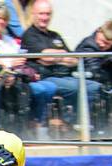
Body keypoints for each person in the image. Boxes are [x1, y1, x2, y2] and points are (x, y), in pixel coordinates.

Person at [20, 0, 100, 130]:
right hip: (46, 77)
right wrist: (59, 56)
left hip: (66, 76)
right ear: (33, 14)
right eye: (41, 14)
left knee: (95, 87)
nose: (45, 17)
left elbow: (74, 59)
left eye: (48, 14)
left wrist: (54, 57)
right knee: (77, 87)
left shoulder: (55, 35)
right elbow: (47, 56)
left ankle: (86, 126)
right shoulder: (29, 35)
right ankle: (70, 124)